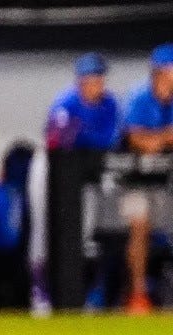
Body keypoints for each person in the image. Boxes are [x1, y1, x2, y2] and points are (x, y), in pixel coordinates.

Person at [31, 52, 123, 316]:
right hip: (49, 166)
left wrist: (83, 135)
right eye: (87, 78)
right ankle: (40, 293)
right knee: (44, 229)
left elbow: (109, 140)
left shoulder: (109, 104)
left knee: (83, 233)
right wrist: (85, 137)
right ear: (79, 80)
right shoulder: (66, 101)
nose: (92, 83)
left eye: (97, 78)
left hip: (85, 172)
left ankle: (76, 295)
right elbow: (58, 139)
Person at [119, 45, 173, 315]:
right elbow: (137, 140)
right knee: (139, 228)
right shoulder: (139, 97)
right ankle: (138, 294)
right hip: (135, 177)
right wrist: (164, 137)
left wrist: (157, 138)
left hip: (166, 177)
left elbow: (155, 141)